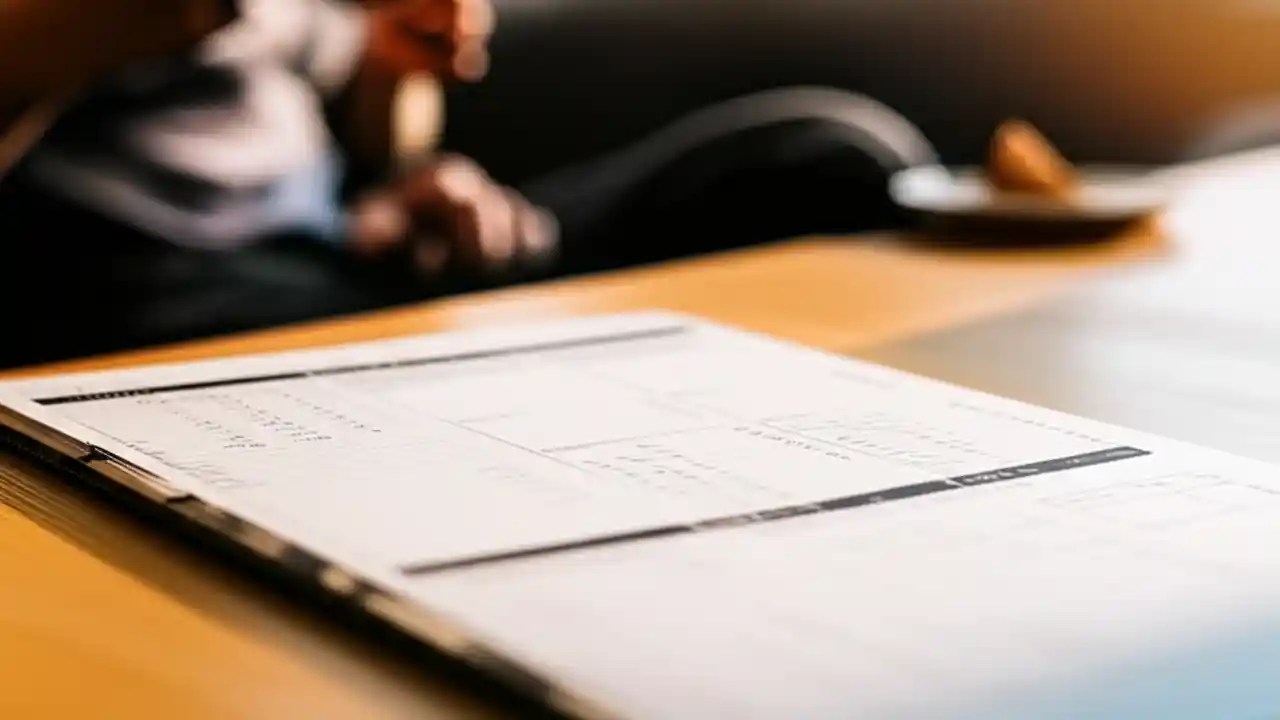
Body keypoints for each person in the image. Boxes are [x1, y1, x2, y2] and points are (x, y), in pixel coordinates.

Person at [0, 0, 936, 368]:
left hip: (335, 256)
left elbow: (364, 110)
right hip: (118, 271)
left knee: (825, 158)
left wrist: (403, 161)